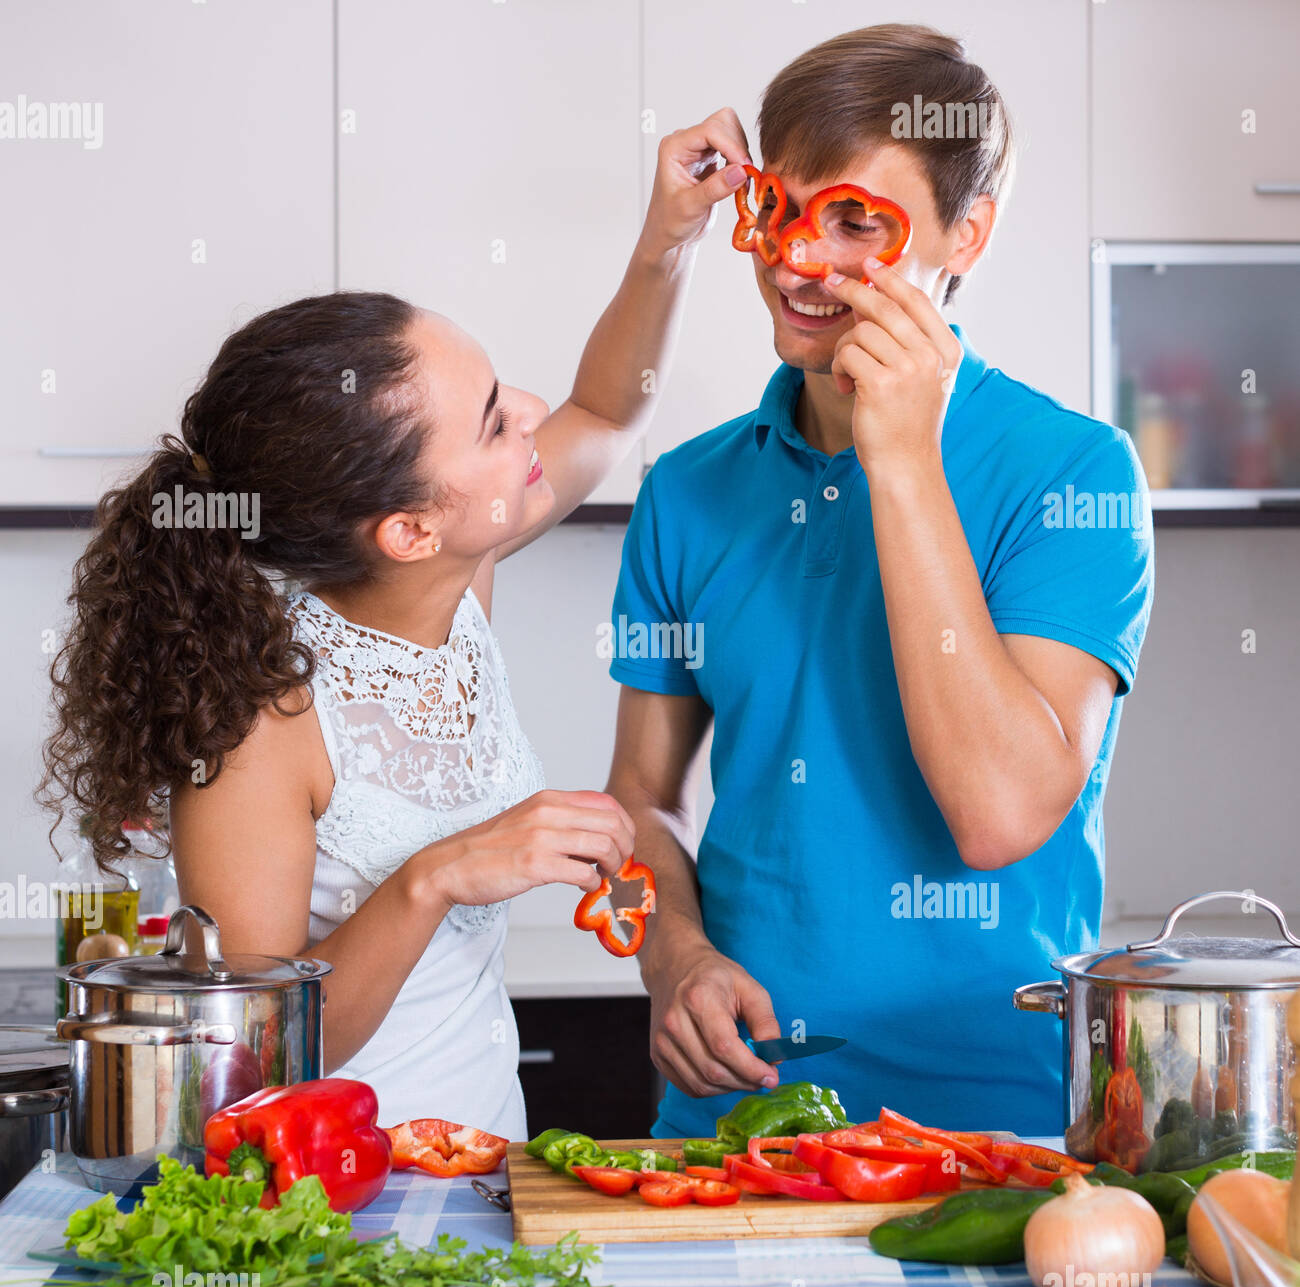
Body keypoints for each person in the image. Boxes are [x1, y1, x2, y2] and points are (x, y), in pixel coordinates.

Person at [39, 109, 754, 1140]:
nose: (535, 415)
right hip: (338, 1201)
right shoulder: (259, 720)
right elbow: (262, 1062)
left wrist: (667, 238)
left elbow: (606, 412)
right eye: (495, 423)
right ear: (410, 528)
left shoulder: (459, 590)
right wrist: (440, 874)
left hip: (481, 1158)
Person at [604, 25, 1155, 1138]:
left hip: (1001, 1125)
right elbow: (639, 804)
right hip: (734, 1118)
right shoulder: (687, 492)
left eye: (856, 222)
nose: (801, 262)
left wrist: (899, 461)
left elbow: (1000, 814)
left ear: (967, 234)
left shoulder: (1076, 475)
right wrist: (673, 958)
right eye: (783, 210)